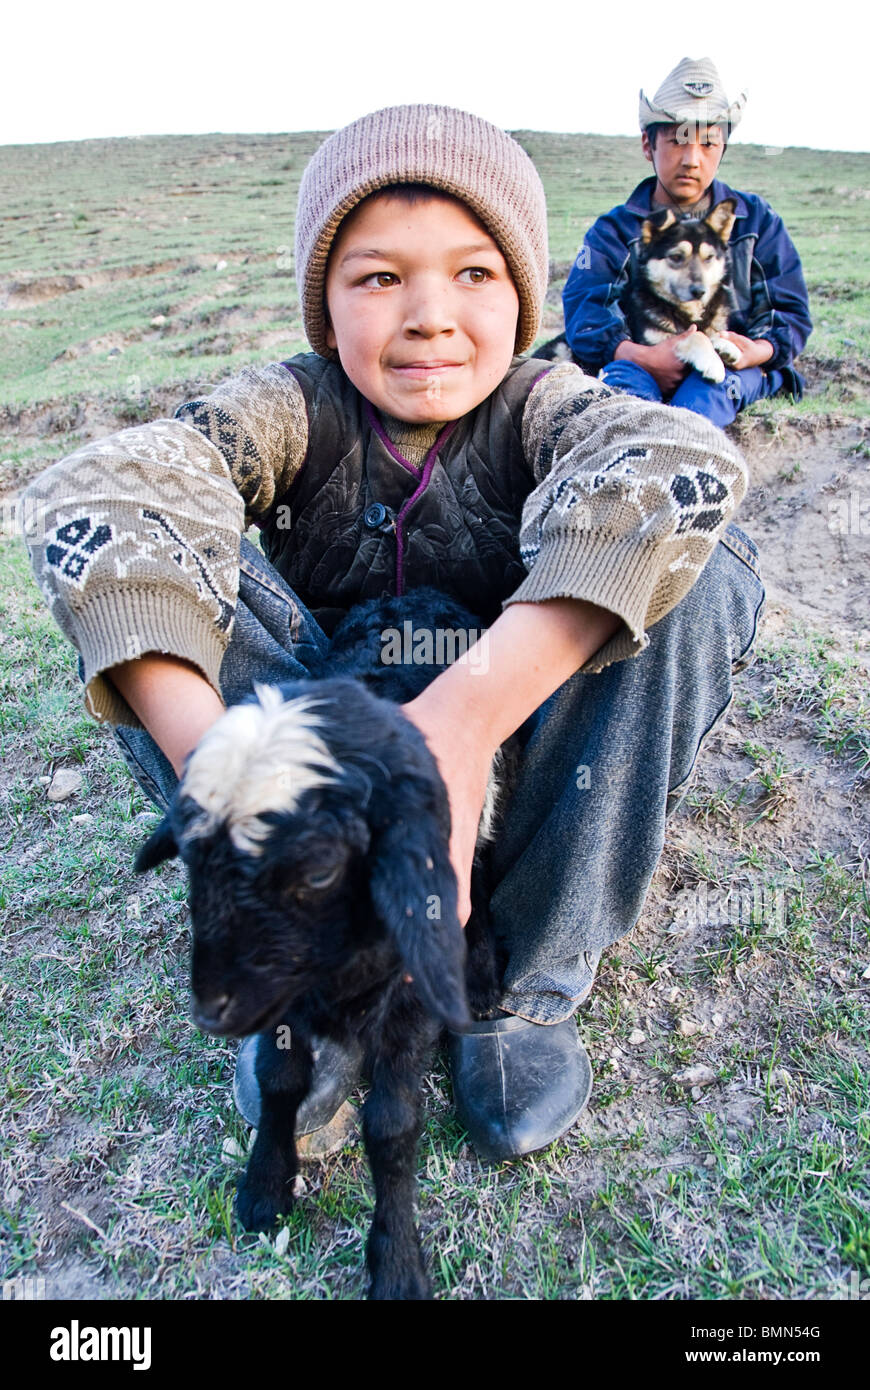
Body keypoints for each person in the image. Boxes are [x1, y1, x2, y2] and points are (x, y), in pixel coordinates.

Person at [21, 103, 763, 1162]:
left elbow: (679, 460)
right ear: (324, 308)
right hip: (327, 789)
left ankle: (520, 984)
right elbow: (105, 490)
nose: (429, 315)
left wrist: (459, 729)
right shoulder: (287, 408)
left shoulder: (546, 406)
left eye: (475, 274)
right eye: (378, 277)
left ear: (523, 297)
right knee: (136, 554)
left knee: (701, 562)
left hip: (523, 766)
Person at [560, 57, 812, 428]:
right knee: (629, 405)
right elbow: (584, 311)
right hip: (637, 362)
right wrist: (638, 356)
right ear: (648, 144)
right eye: (678, 141)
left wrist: (756, 350)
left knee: (705, 394)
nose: (692, 160)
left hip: (731, 368)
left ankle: (686, 460)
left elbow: (790, 311)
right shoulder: (614, 231)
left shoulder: (756, 222)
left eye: (708, 143)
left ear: (723, 147)